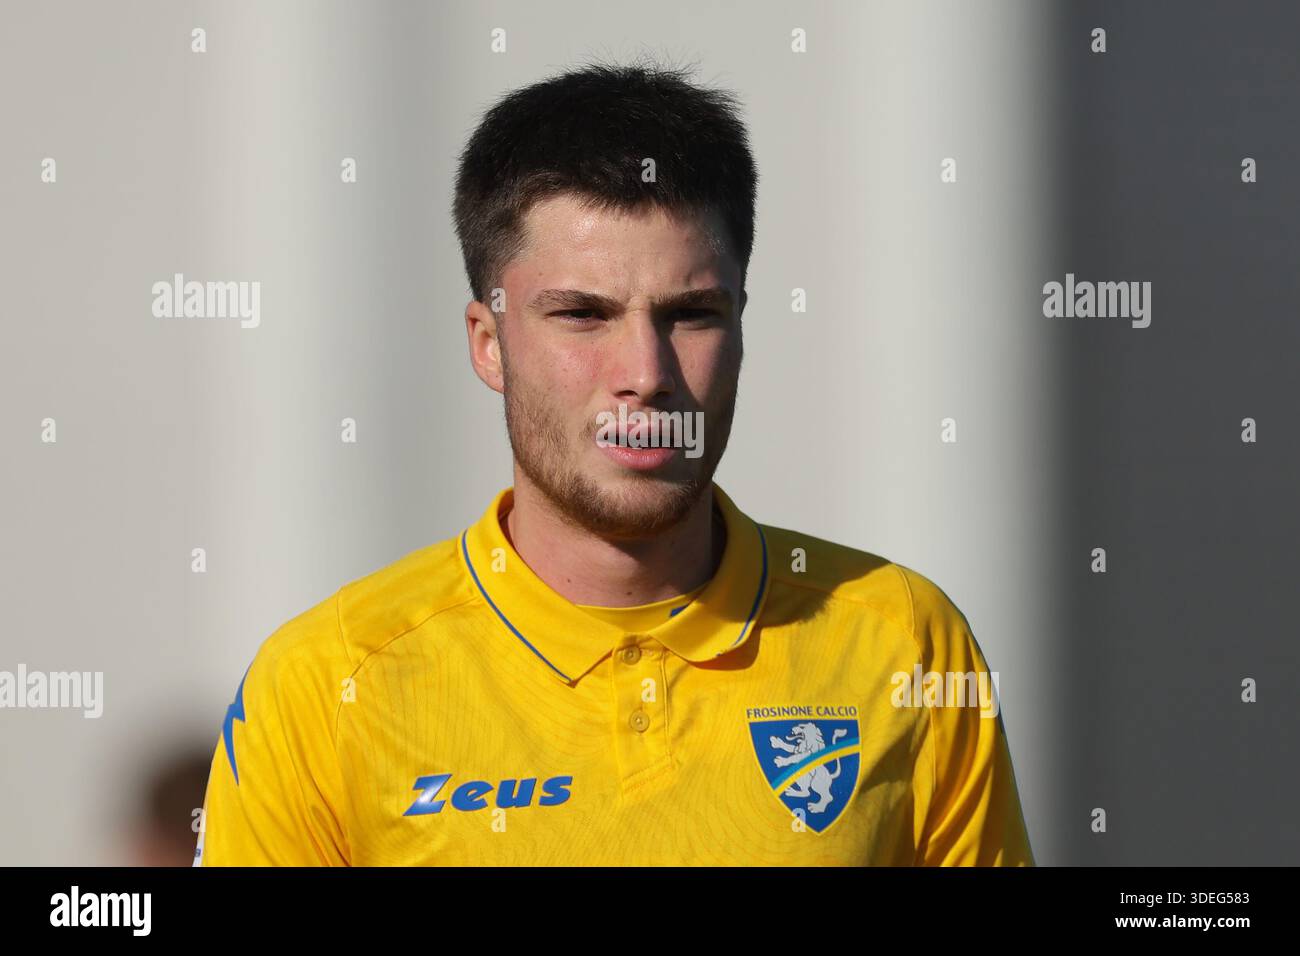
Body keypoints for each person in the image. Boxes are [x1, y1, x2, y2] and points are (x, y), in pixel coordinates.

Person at [196, 60, 1034, 866]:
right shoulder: (326, 680)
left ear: (743, 326)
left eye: (691, 314)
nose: (645, 373)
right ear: (489, 344)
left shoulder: (903, 639)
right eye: (582, 314)